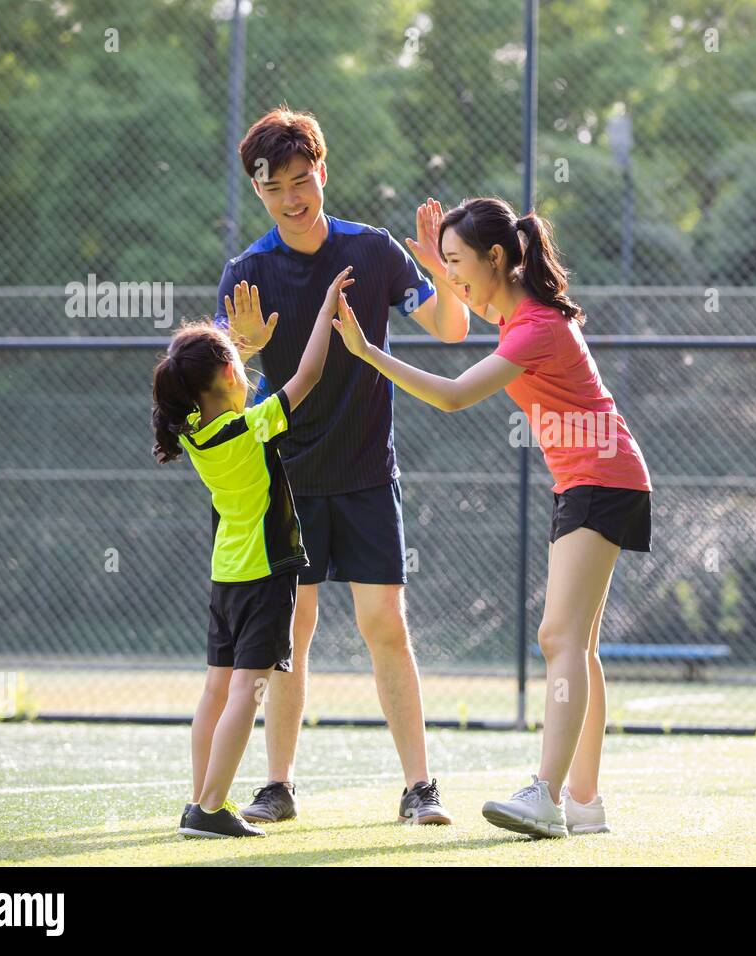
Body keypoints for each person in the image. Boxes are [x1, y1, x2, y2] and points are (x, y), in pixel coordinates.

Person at [332, 197, 653, 838]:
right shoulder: (517, 315)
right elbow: (473, 305)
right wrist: (436, 263)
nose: (450, 277)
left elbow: (452, 396)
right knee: (577, 648)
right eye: (445, 264)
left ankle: (548, 795)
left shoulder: (533, 328)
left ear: (498, 258)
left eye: (458, 263)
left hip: (603, 479)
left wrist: (367, 352)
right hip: (593, 481)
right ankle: (583, 802)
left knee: (558, 639)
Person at [216, 107, 470, 825]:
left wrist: (437, 270)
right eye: (275, 189)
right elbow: (231, 398)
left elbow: (454, 328)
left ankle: (420, 789)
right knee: (289, 633)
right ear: (258, 192)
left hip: (365, 474)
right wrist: (247, 351)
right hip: (286, 482)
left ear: (322, 172)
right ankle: (277, 786)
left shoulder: (376, 251)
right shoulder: (247, 274)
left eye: (304, 180)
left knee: (385, 622)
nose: (293, 199)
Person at [153, 267, 355, 837]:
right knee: (248, 687)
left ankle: (200, 800)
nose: (247, 371)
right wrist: (324, 311)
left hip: (226, 576)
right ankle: (212, 806)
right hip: (266, 572)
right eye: (238, 366)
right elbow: (309, 374)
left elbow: (212, 379)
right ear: (225, 376)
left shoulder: (193, 431)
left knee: (218, 687)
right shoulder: (253, 427)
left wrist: (234, 347)